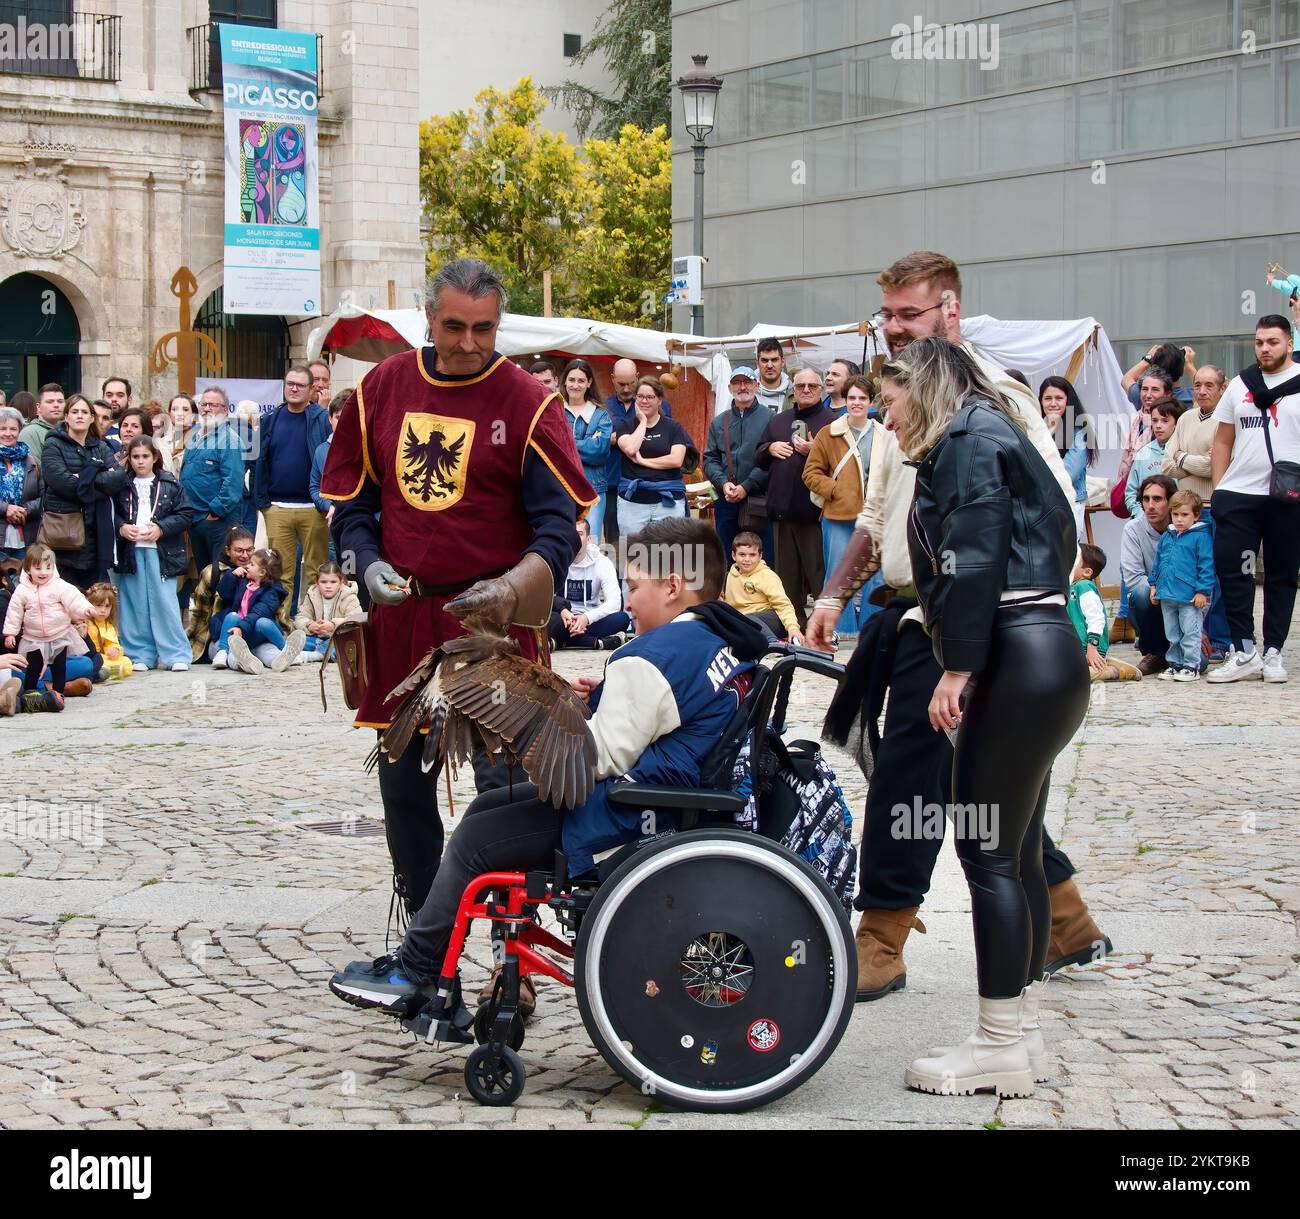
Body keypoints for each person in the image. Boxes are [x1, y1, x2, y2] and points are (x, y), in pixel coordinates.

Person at [808, 250, 1108, 1007]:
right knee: (994, 789)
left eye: (910, 314)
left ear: (951, 312)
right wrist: (835, 593)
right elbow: (876, 516)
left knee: (915, 774)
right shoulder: (898, 395)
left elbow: (1055, 510)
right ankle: (1065, 920)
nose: (895, 329)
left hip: (969, 624)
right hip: (918, 610)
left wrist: (992, 623)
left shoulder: (994, 396)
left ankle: (881, 937)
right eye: (888, 316)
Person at [327, 517, 764, 1018]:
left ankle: (418, 968)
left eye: (635, 586)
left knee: (476, 841)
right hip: (677, 804)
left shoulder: (651, 657)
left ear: (672, 586)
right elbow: (670, 718)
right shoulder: (716, 641)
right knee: (490, 805)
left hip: (631, 812)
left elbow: (595, 760)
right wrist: (599, 701)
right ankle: (432, 962)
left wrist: (535, 719)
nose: (628, 601)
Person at [319, 257, 595, 921]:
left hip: (496, 632)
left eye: (484, 328)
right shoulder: (382, 388)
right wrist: (364, 560)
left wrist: (511, 587)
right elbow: (353, 509)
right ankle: (421, 945)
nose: (469, 343)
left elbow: (559, 529)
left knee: (508, 796)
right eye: (454, 326)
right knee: (405, 794)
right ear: (427, 318)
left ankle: (512, 961)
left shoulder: (530, 404)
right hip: (405, 625)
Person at [882, 339, 1088, 1100]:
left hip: (1014, 653)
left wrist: (958, 666)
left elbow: (973, 553)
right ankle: (1020, 1025)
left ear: (924, 386)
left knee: (988, 851)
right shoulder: (994, 430)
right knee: (1020, 849)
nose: (884, 412)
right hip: (1047, 652)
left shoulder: (967, 438)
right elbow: (1057, 533)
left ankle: (999, 1042)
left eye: (891, 397)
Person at [1207, 314, 1300, 684]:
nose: (1264, 348)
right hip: (1239, 494)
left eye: (1272, 342)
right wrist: (1218, 490)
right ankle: (1244, 650)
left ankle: (1274, 651)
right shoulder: (1240, 386)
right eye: (1259, 341)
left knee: (1281, 574)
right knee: (1235, 573)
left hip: (1286, 495)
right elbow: (1222, 441)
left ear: (1289, 343)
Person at [803, 373, 884, 636]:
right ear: (845, 400)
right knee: (839, 575)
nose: (856, 403)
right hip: (838, 515)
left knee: (877, 576)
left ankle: (873, 629)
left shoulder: (885, 434)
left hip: (876, 516)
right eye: (852, 397)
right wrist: (837, 490)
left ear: (871, 401)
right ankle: (842, 630)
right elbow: (811, 473)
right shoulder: (830, 433)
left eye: (862, 398)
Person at [754, 367, 835, 631]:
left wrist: (816, 449)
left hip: (814, 513)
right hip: (781, 511)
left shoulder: (831, 422)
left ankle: (823, 627)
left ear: (821, 390)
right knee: (786, 577)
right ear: (793, 391)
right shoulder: (778, 421)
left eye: (812, 386)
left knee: (818, 574)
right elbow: (757, 457)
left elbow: (844, 464)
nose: (806, 390)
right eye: (801, 386)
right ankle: (794, 625)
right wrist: (770, 448)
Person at [1163, 365, 1230, 657]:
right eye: (1198, 384)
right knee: (1184, 574)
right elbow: (1167, 464)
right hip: (1185, 509)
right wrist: (1195, 460)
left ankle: (1219, 641)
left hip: (1213, 507)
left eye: (1209, 385)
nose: (1202, 391)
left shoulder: (1226, 420)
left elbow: (1218, 465)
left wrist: (1182, 457)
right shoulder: (1187, 418)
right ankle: (1190, 641)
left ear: (1221, 388)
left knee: (1213, 575)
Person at [111, 437, 195, 673]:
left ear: (155, 457)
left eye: (145, 456)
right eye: (135, 457)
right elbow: (110, 513)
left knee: (165, 602)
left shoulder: (169, 484)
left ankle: (175, 653)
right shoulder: (122, 485)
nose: (140, 461)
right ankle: (140, 653)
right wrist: (121, 527)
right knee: (134, 602)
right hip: (131, 550)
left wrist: (161, 528)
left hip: (162, 551)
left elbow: (185, 513)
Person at [256, 367, 331, 612]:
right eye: (290, 384)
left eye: (300, 385)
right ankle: (284, 627)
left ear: (311, 390)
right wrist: (263, 502)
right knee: (281, 573)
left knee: (315, 570)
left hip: (314, 508)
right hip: (277, 508)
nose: (294, 388)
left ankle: (313, 625)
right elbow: (259, 461)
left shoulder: (321, 418)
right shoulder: (270, 419)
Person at [3, 544, 111, 711]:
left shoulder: (59, 585)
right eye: (38, 568)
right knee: (32, 668)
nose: (43, 572)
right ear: (28, 569)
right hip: (33, 639)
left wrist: (86, 608)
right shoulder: (23, 591)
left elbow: (74, 598)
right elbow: (14, 613)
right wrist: (10, 633)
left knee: (71, 665)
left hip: (58, 636)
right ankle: (36, 693)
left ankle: (58, 690)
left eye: (48, 567)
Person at [36, 396, 128, 589]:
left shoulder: (100, 446)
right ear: (66, 416)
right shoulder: (53, 445)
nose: (80, 416)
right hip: (62, 536)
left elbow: (118, 479)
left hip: (95, 537)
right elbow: (62, 483)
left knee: (93, 604)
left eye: (84, 412)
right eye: (75, 412)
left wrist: (83, 478)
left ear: (91, 417)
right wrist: (99, 477)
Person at [188, 525, 293, 669]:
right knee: (226, 649)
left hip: (256, 634)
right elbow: (199, 612)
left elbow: (276, 613)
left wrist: (283, 635)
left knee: (266, 651)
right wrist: (193, 642)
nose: (245, 555)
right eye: (239, 550)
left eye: (249, 550)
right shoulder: (212, 573)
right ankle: (243, 663)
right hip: (224, 635)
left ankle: (287, 658)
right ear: (227, 551)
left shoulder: (266, 576)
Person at [702, 366, 774, 562]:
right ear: (729, 387)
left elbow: (772, 460)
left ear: (757, 385)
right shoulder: (719, 422)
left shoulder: (771, 418)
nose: (742, 387)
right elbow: (710, 459)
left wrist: (747, 485)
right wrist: (723, 483)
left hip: (758, 498)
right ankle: (728, 591)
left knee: (761, 556)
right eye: (737, 382)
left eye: (747, 382)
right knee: (727, 554)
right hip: (726, 498)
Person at [1149, 489, 1215, 682]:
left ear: (1195, 515)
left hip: (1189, 597)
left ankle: (1191, 665)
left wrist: (1203, 591)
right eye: (1175, 514)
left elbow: (1207, 566)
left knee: (1190, 631)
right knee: (1172, 633)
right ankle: (1175, 663)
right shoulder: (1168, 536)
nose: (1179, 519)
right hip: (1167, 594)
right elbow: (1158, 562)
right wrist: (1154, 584)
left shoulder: (1201, 537)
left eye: (1184, 515)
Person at [181, 387, 245, 582]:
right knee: (203, 575)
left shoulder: (230, 440)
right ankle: (206, 612)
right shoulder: (196, 436)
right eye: (204, 404)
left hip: (217, 520)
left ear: (225, 410)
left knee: (220, 575)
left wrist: (215, 511)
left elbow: (233, 482)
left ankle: (221, 613)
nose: (206, 409)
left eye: (213, 405)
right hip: (195, 518)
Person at [614, 376, 694, 533]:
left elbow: (676, 460)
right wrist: (643, 421)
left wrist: (643, 461)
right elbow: (630, 449)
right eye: (640, 396)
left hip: (668, 501)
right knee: (633, 552)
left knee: (668, 554)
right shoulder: (625, 425)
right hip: (633, 502)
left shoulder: (673, 427)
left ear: (659, 400)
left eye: (650, 397)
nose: (644, 401)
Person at [213, 547, 306, 674]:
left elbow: (258, 613)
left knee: (263, 622)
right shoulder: (242, 581)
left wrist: (241, 627)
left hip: (253, 632)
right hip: (235, 634)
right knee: (232, 616)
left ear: (262, 572)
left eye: (251, 564)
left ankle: (286, 650)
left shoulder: (272, 592)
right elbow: (224, 593)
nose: (247, 566)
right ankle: (222, 652)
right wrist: (231, 575)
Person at [1120, 474, 1176, 676]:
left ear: (1170, 502)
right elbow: (1134, 579)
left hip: (1182, 604)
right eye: (1146, 499)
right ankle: (1153, 652)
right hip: (1150, 600)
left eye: (1157, 499)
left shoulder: (1184, 529)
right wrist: (1160, 590)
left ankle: (1169, 653)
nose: (1150, 505)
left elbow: (1200, 578)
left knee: (1201, 664)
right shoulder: (1133, 529)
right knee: (1142, 593)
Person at [548, 516, 629, 650]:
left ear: (589, 539)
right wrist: (563, 610)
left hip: (591, 621)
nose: (575, 539)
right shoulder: (557, 560)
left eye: (580, 534)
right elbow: (546, 597)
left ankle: (561, 641)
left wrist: (587, 617)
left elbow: (615, 602)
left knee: (621, 618)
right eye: (571, 534)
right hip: (562, 619)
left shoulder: (602, 562)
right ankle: (595, 643)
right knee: (549, 621)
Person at [560, 358, 614, 542]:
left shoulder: (601, 414)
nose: (576, 385)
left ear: (589, 383)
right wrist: (586, 442)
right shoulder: (554, 410)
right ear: (564, 381)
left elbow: (600, 451)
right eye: (572, 379)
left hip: (593, 490)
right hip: (561, 488)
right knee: (561, 543)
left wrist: (565, 442)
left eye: (581, 380)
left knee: (591, 545)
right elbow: (550, 447)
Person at [1068, 544, 1139, 682]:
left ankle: (1114, 671)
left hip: (1089, 650)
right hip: (1074, 650)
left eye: (1073, 561)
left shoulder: (1084, 587)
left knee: (1075, 678)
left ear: (1087, 572)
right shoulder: (1070, 586)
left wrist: (1092, 648)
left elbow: (1096, 619)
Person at [724, 529, 803, 643]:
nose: (747, 559)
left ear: (760, 556)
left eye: (752, 555)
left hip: (771, 619)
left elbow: (783, 605)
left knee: (747, 619)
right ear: (733, 555)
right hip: (742, 622)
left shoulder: (767, 576)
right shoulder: (730, 575)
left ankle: (772, 643)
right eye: (742, 554)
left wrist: (793, 627)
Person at [1038, 375, 1095, 531]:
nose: (1053, 403)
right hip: (1040, 506)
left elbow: (1069, 473)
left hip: (1068, 504)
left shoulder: (1080, 433)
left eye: (1059, 398)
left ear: (1068, 401)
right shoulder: (1036, 429)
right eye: (1047, 398)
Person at [1124, 397, 1185, 516]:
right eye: (1155, 420)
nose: (1158, 426)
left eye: (1165, 421)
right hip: (1147, 520)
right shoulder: (1143, 452)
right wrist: (1140, 515)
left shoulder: (1185, 451)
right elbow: (1131, 493)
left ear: (1177, 423)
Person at [293, 560, 362, 663]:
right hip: (317, 638)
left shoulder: (349, 596)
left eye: (333, 582)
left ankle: (315, 655)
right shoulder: (312, 595)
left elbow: (355, 621)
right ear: (317, 583)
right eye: (323, 582)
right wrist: (310, 625)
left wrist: (333, 625)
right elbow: (300, 617)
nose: (328, 586)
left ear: (341, 582)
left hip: (338, 638)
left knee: (341, 645)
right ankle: (322, 652)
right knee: (297, 639)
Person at [0, 406, 41, 561]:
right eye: (2, 429)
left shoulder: (32, 461)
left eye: (13, 429)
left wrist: (25, 510)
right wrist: (6, 508)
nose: (8, 433)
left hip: (27, 538)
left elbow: (45, 496)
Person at [310, 391, 347, 559]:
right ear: (330, 419)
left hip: (361, 523)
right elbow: (314, 487)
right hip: (333, 521)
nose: (343, 422)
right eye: (338, 417)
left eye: (348, 417)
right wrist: (328, 506)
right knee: (336, 575)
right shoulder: (321, 450)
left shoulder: (368, 449)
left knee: (355, 571)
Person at [1121, 342, 1195, 406]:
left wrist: (1147, 359)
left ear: (1154, 368)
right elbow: (1203, 387)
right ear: (1182, 371)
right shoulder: (1192, 397)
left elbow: (1126, 380)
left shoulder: (1144, 395)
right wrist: (1190, 365)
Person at [85, 582, 132, 680]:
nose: (103, 610)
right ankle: (102, 673)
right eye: (98, 606)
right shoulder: (85, 622)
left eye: (107, 606)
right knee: (93, 662)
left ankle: (103, 673)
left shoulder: (108, 626)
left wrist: (115, 650)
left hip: (103, 656)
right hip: (89, 656)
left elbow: (112, 643)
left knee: (126, 662)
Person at [19, 384, 66, 462]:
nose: (56, 405)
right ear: (38, 407)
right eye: (50, 402)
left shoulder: (70, 430)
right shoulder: (30, 433)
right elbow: (32, 468)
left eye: (60, 401)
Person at [754, 336, 793, 411]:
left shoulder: (794, 394)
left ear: (782, 362)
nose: (769, 365)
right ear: (757, 364)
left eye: (774, 360)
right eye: (764, 360)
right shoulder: (746, 392)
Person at [167, 394, 199, 473]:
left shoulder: (200, 440)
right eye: (175, 409)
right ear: (169, 414)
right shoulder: (162, 441)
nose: (180, 413)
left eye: (185, 409)